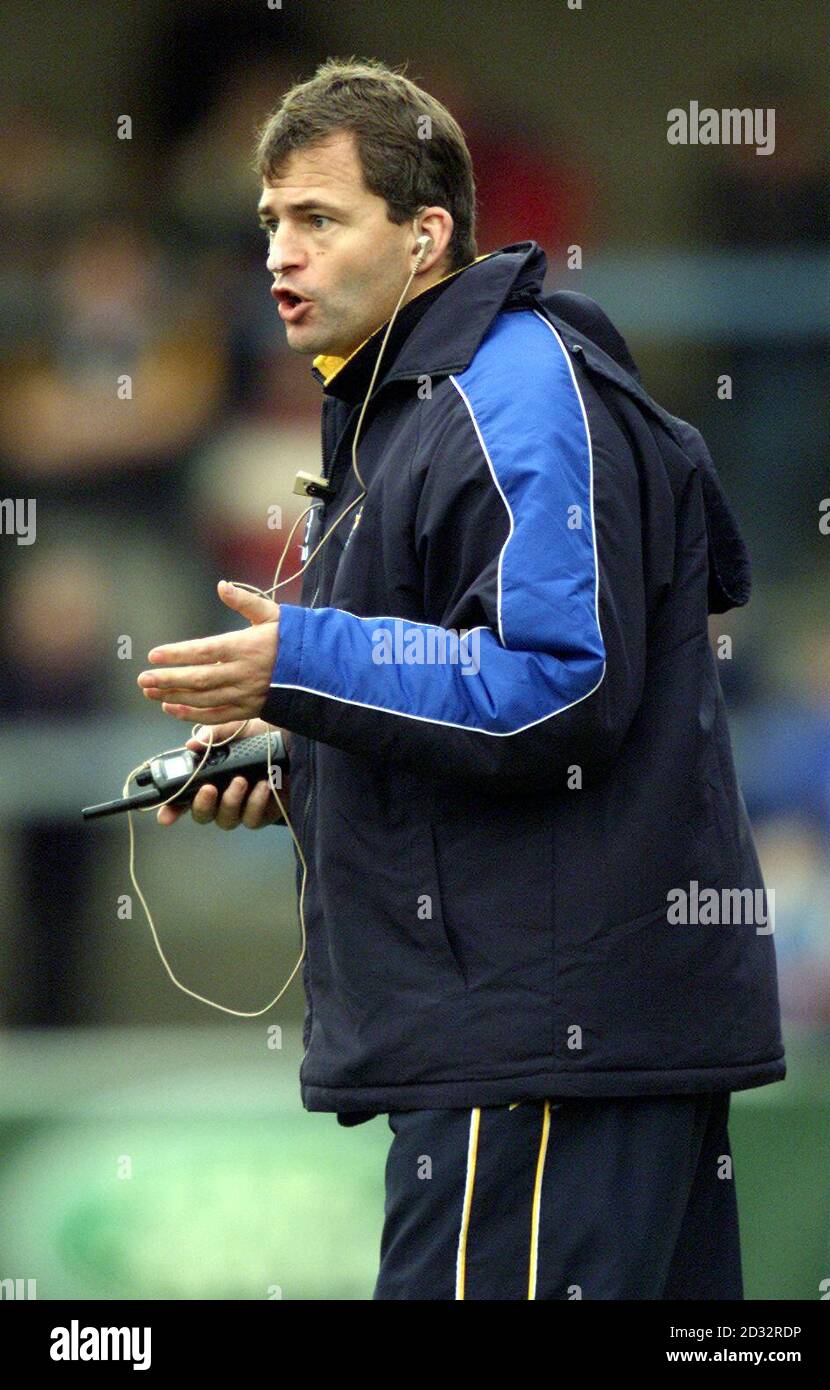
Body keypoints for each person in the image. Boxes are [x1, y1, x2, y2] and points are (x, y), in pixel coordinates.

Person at [139, 58, 785, 1300]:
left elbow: (555, 685)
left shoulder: (512, 389)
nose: (279, 252)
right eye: (269, 221)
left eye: (319, 218)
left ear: (425, 235)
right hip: (556, 1045)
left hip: (542, 1052)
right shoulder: (419, 397)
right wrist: (297, 750)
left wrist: (304, 660)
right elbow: (475, 692)